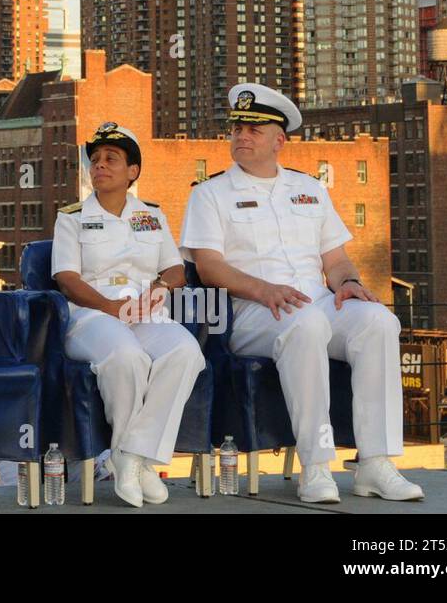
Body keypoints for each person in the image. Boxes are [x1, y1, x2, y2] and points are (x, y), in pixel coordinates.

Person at [180, 83, 422, 503]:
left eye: (254, 129)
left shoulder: (309, 190)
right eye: (237, 127)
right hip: (253, 309)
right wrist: (265, 289)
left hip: (316, 300)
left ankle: (376, 463)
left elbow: (337, 259)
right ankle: (316, 466)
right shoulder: (210, 194)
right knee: (306, 324)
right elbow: (208, 266)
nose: (241, 135)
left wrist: (348, 283)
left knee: (380, 322)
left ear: (280, 140)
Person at [51, 121, 206, 507]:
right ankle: (133, 456)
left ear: (132, 172)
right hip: (90, 315)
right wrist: (109, 307)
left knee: (186, 352)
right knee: (126, 356)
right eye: (95, 159)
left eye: (111, 159)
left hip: (144, 311)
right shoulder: (71, 216)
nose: (100, 165)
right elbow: (66, 277)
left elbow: (176, 270)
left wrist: (159, 290)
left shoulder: (151, 215)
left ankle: (134, 456)